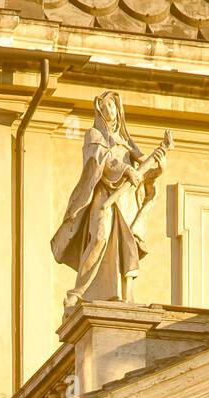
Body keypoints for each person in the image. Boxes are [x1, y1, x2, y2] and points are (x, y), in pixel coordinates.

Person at [51, 91, 172, 305]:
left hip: (125, 201)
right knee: (99, 238)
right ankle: (78, 292)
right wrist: (125, 169)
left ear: (118, 108)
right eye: (105, 105)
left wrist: (159, 167)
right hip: (104, 196)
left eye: (113, 105)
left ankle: (125, 293)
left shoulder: (126, 140)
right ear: (99, 109)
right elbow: (98, 161)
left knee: (126, 243)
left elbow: (144, 168)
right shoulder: (94, 135)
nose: (110, 109)